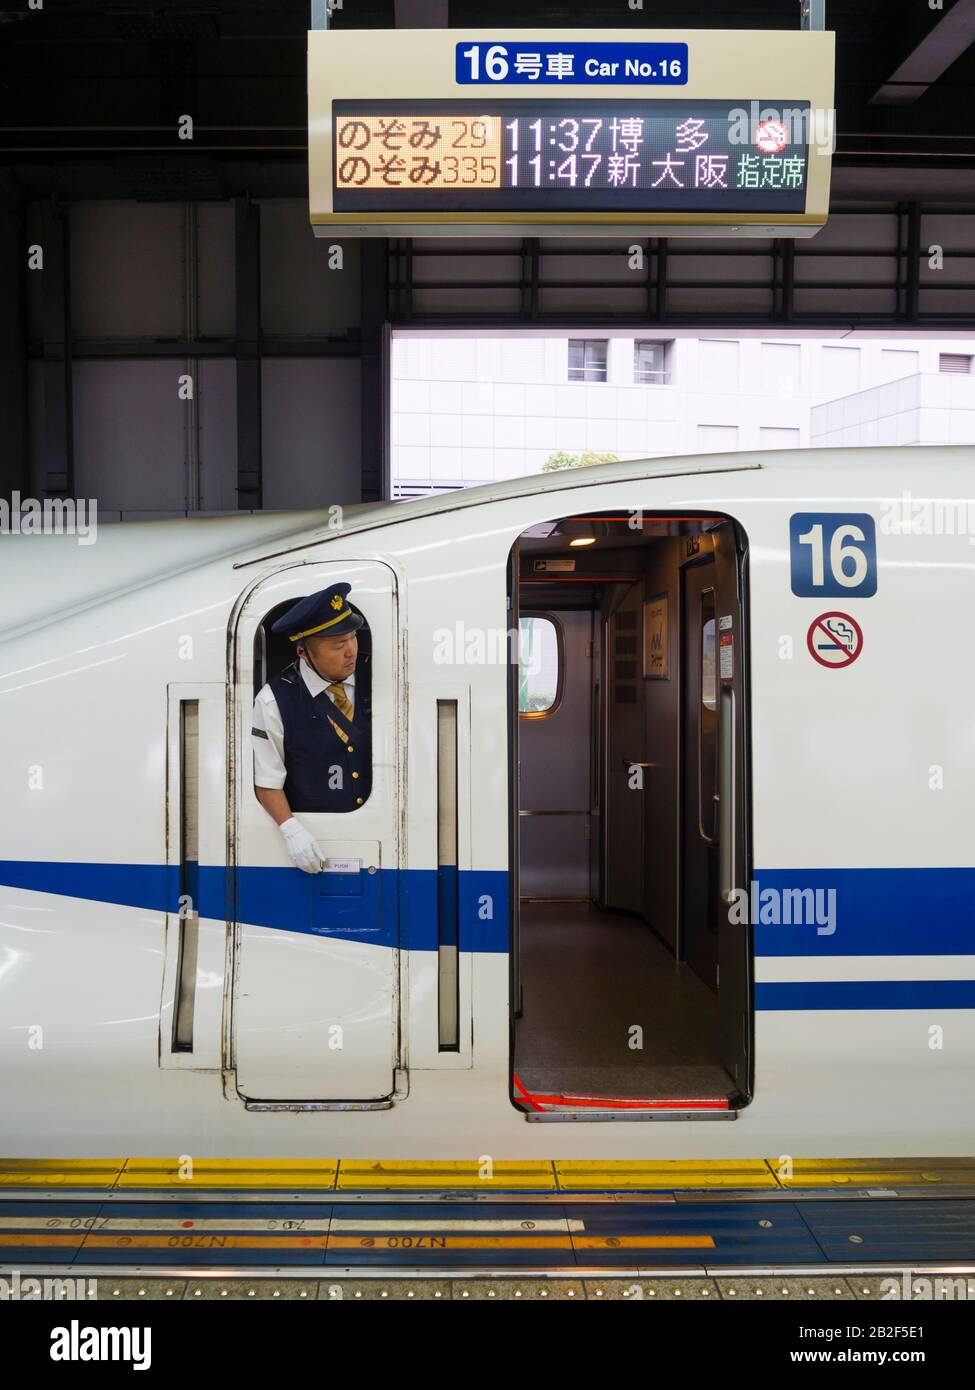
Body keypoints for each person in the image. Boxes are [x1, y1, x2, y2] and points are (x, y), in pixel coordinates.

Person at [252, 582, 371, 873]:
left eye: (353, 638)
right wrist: (291, 830)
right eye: (338, 645)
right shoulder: (273, 700)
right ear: (304, 653)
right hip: (320, 839)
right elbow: (266, 779)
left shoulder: (378, 677)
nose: (351, 652)